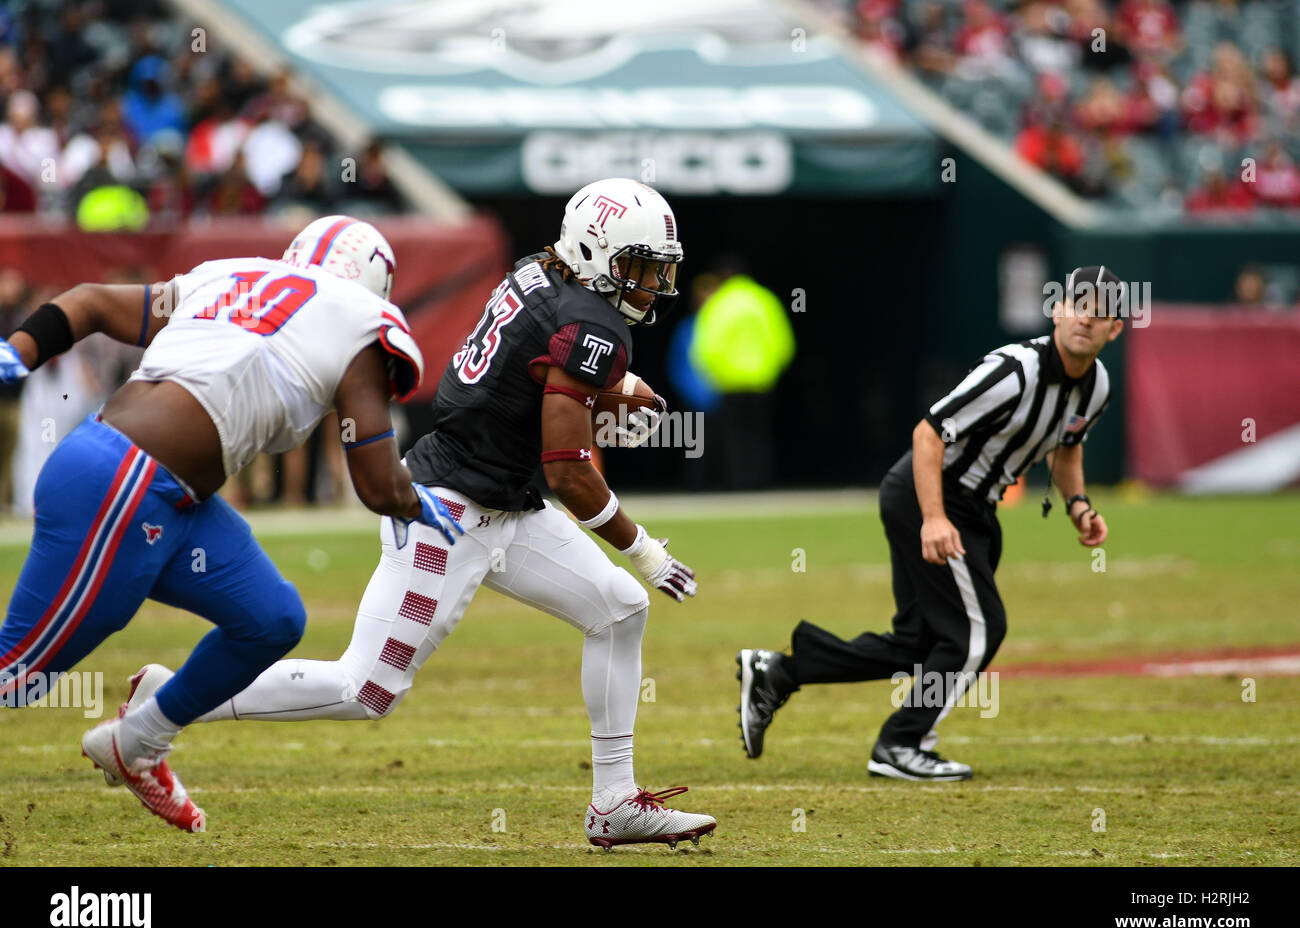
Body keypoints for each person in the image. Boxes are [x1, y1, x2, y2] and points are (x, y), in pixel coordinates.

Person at [120, 178, 717, 851]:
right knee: (365, 689)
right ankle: (172, 698)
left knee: (617, 608)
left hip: (504, 503)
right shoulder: (591, 323)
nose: (647, 284)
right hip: (446, 509)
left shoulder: (539, 273)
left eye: (654, 269)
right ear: (592, 249)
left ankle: (613, 802)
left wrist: (613, 388)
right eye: (635, 266)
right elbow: (568, 471)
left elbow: (537, 371)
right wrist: (644, 548)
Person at [0, 215, 463, 831]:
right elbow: (377, 484)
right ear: (374, 287)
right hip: (123, 487)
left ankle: (138, 740)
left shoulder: (231, 277)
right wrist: (419, 501)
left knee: (270, 618)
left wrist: (18, 351)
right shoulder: (360, 319)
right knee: (16, 677)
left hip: (165, 495)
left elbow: (85, 302)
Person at [737, 266, 1123, 781]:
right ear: (1056, 309)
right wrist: (935, 518)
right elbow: (928, 433)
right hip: (933, 496)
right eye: (1078, 304)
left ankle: (779, 672)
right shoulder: (1015, 370)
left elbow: (1068, 448)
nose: (1086, 318)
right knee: (977, 633)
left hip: (975, 508)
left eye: (1101, 312)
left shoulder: (1096, 387)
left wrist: (1078, 505)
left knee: (920, 643)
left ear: (1116, 327)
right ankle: (902, 743)